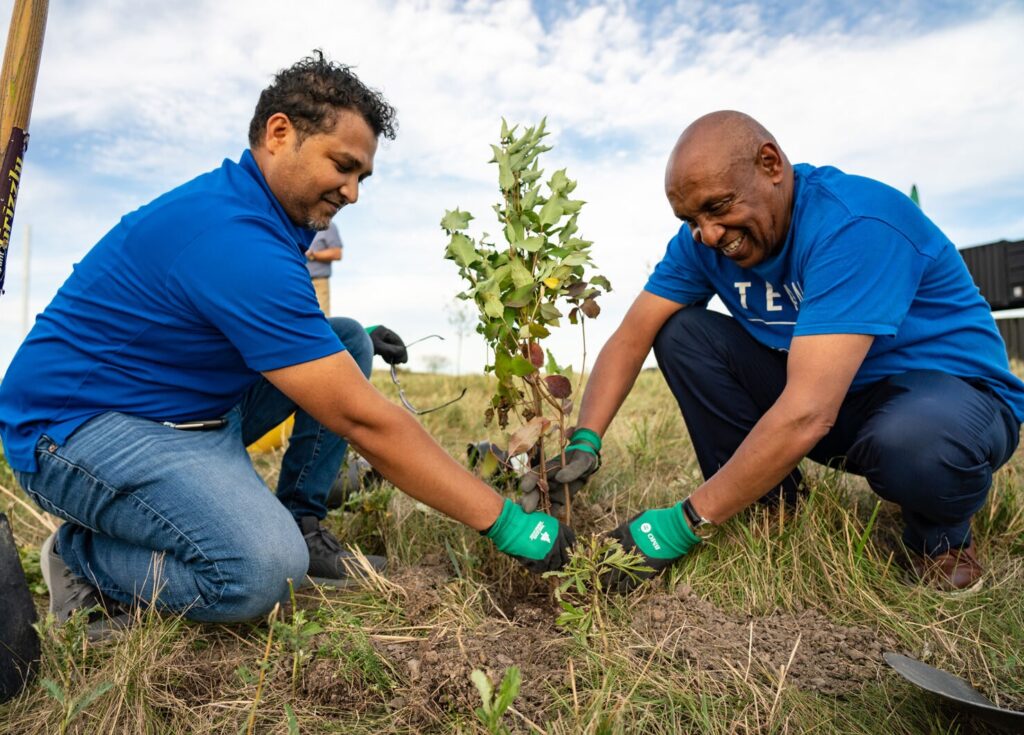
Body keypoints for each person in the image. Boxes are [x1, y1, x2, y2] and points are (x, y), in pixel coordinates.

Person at [0, 52, 574, 635]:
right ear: (280, 133)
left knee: (346, 338)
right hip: (76, 431)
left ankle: (301, 519)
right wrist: (505, 523)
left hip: (183, 411)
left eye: (362, 177)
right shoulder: (233, 234)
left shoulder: (266, 218)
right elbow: (363, 420)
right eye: (343, 166)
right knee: (262, 572)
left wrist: (361, 345)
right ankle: (83, 558)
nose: (352, 192)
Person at [523, 110, 1024, 593]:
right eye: (691, 218)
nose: (709, 235)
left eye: (718, 208)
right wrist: (585, 440)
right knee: (682, 333)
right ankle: (770, 507)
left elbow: (808, 412)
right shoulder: (702, 240)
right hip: (835, 400)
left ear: (771, 165)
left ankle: (939, 541)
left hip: (949, 401)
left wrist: (681, 522)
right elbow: (633, 337)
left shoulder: (855, 223)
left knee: (916, 444)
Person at [306, 221, 342, 315]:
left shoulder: (328, 226)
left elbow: (336, 253)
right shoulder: (299, 226)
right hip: (299, 281)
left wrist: (312, 255)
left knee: (321, 316)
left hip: (318, 282)